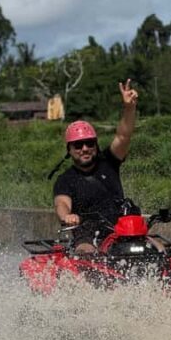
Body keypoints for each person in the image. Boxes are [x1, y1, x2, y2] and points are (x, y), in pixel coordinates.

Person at [53, 79, 138, 254]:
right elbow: (61, 203)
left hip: (122, 230)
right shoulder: (65, 180)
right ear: (69, 150)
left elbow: (123, 136)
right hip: (87, 234)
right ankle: (90, 275)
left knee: (154, 246)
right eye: (78, 145)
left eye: (89, 143)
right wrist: (67, 216)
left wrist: (129, 108)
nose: (84, 148)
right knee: (86, 251)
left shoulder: (109, 161)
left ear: (95, 145)